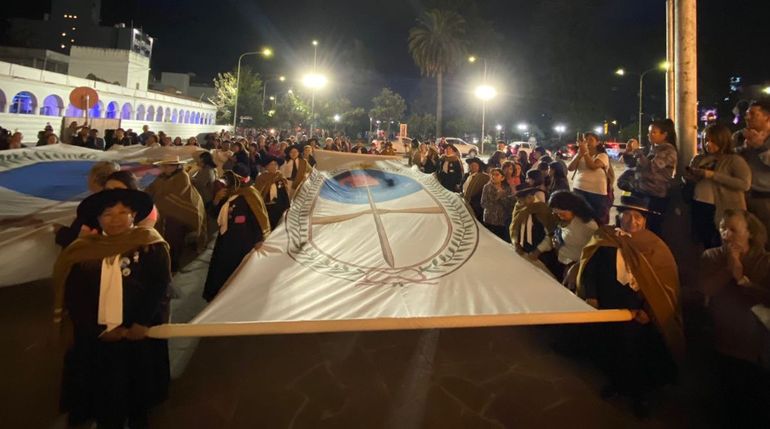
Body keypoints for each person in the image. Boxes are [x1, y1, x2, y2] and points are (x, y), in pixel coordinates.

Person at [53, 189, 171, 428]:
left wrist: (141, 323)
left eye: (123, 212)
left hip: (138, 334)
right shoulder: (81, 251)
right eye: (107, 214)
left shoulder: (149, 244)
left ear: (133, 215)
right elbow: (75, 296)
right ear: (97, 219)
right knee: (105, 392)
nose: (115, 219)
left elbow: (158, 285)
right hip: (98, 338)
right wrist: (97, 329)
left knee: (138, 388)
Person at [576, 194, 683, 416]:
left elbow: (663, 285)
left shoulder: (654, 246)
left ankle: (639, 393)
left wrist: (648, 311)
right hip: (609, 305)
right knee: (611, 345)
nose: (632, 221)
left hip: (638, 310)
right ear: (619, 216)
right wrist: (592, 296)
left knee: (636, 351)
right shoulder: (605, 238)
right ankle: (617, 383)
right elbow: (590, 269)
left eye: (638, 216)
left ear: (645, 220)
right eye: (628, 215)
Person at [700, 210, 770, 425]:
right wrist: (730, 267)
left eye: (733, 230)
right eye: (723, 228)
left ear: (750, 233)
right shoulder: (712, 256)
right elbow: (707, 289)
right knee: (727, 400)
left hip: (757, 344)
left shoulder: (765, 261)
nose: (726, 234)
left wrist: (742, 280)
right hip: (723, 341)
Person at [203, 171, 271, 302]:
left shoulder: (250, 194)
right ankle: (219, 297)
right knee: (222, 269)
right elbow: (215, 214)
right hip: (226, 239)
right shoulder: (227, 194)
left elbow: (258, 217)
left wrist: (258, 239)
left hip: (243, 241)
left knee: (240, 271)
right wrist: (216, 200)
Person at [685, 124, 752, 248]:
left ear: (723, 141)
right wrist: (691, 176)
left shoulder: (734, 160)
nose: (708, 144)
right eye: (706, 140)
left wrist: (713, 175)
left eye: (713, 141)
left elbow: (744, 184)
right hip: (699, 203)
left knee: (722, 240)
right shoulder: (699, 158)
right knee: (703, 239)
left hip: (722, 206)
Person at [145, 155, 206, 273]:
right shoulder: (161, 177)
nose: (164, 168)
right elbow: (151, 189)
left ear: (175, 166)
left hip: (182, 210)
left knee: (174, 235)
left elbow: (176, 195)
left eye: (166, 166)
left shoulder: (182, 177)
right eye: (163, 165)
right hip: (165, 211)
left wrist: (156, 204)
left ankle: (173, 264)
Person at [621, 119, 678, 234]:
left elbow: (651, 167)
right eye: (649, 132)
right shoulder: (652, 148)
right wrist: (628, 152)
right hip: (642, 192)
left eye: (653, 132)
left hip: (655, 196)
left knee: (651, 228)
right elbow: (633, 165)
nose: (649, 135)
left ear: (664, 134)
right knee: (636, 226)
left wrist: (637, 151)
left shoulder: (668, 151)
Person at [538, 191, 599, 284]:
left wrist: (576, 267)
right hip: (561, 263)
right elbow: (552, 236)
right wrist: (538, 250)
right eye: (556, 213)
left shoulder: (588, 226)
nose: (559, 216)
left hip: (576, 269)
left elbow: (594, 251)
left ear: (572, 208)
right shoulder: (561, 220)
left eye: (562, 214)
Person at [55, 161, 121, 248]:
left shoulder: (91, 204)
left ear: (94, 179)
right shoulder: (121, 200)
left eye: (89, 175)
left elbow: (74, 239)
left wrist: (58, 229)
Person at [736, 99, 770, 245]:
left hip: (765, 199)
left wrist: (760, 147)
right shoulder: (740, 136)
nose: (747, 117)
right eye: (747, 114)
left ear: (767, 117)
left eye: (753, 114)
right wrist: (743, 149)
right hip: (743, 198)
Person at [510, 184, 557, 269]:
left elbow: (551, 234)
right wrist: (516, 243)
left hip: (541, 253)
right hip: (524, 249)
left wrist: (538, 250)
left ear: (529, 197)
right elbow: (514, 227)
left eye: (521, 201)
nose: (519, 204)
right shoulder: (519, 207)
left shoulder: (542, 209)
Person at [568, 132, 611, 224]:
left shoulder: (602, 155)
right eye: (586, 140)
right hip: (579, 189)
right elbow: (570, 168)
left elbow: (593, 166)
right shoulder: (581, 154)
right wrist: (579, 155)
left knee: (597, 218)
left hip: (597, 193)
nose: (587, 142)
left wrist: (585, 153)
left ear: (598, 142)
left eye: (591, 140)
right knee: (580, 218)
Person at [253, 155, 291, 229]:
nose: (274, 166)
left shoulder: (280, 177)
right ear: (266, 166)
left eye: (275, 164)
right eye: (271, 164)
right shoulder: (261, 178)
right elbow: (258, 193)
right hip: (266, 206)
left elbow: (285, 193)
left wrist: (287, 207)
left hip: (278, 206)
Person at [480, 168, 513, 241]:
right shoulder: (487, 187)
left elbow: (510, 204)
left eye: (497, 175)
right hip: (490, 219)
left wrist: (502, 197)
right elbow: (483, 203)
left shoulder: (506, 188)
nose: (494, 176)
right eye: (492, 174)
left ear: (502, 177)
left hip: (503, 220)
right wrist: (496, 197)